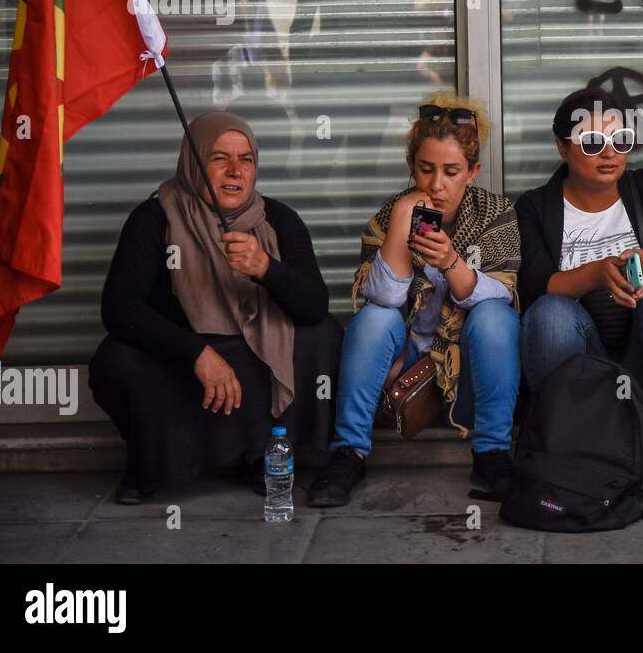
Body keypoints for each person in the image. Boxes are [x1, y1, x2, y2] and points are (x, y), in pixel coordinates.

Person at [90, 112, 342, 503]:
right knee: (115, 359)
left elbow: (314, 307)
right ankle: (154, 463)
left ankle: (265, 454)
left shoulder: (277, 220)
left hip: (253, 356)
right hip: (184, 364)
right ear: (194, 163)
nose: (235, 171)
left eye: (246, 159)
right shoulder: (155, 218)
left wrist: (266, 269)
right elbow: (120, 308)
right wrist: (195, 353)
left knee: (323, 335)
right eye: (219, 157)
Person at [308, 97, 522, 506]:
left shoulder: (495, 213)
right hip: (406, 371)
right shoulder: (393, 213)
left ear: (473, 172)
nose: (437, 184)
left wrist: (450, 262)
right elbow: (384, 295)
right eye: (426, 169)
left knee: (495, 316)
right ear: (411, 165)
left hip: (470, 369)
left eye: (451, 171)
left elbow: (503, 291)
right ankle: (348, 453)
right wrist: (404, 218)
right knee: (374, 318)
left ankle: (492, 452)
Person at [517, 88, 643, 492]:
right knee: (550, 312)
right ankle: (565, 437)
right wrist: (598, 274)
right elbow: (535, 285)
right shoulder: (534, 207)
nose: (609, 153)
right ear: (562, 148)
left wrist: (636, 261)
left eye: (620, 140)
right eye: (592, 142)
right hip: (583, 372)